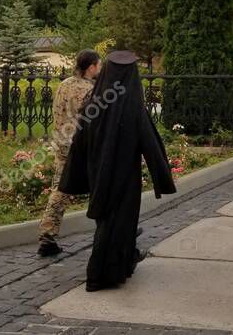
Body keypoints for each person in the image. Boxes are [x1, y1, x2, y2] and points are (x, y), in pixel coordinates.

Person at [59, 50, 176, 291]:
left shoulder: (93, 105)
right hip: (124, 176)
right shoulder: (134, 109)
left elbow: (79, 144)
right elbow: (150, 144)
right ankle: (99, 275)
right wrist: (162, 175)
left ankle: (126, 261)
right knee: (120, 221)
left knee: (106, 220)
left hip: (98, 172)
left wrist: (78, 175)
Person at [37, 48, 101, 257]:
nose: (100, 69)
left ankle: (47, 234)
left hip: (62, 143)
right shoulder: (91, 90)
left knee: (60, 188)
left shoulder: (64, 85)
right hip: (83, 146)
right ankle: (108, 230)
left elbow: (57, 112)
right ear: (91, 67)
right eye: (98, 65)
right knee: (100, 185)